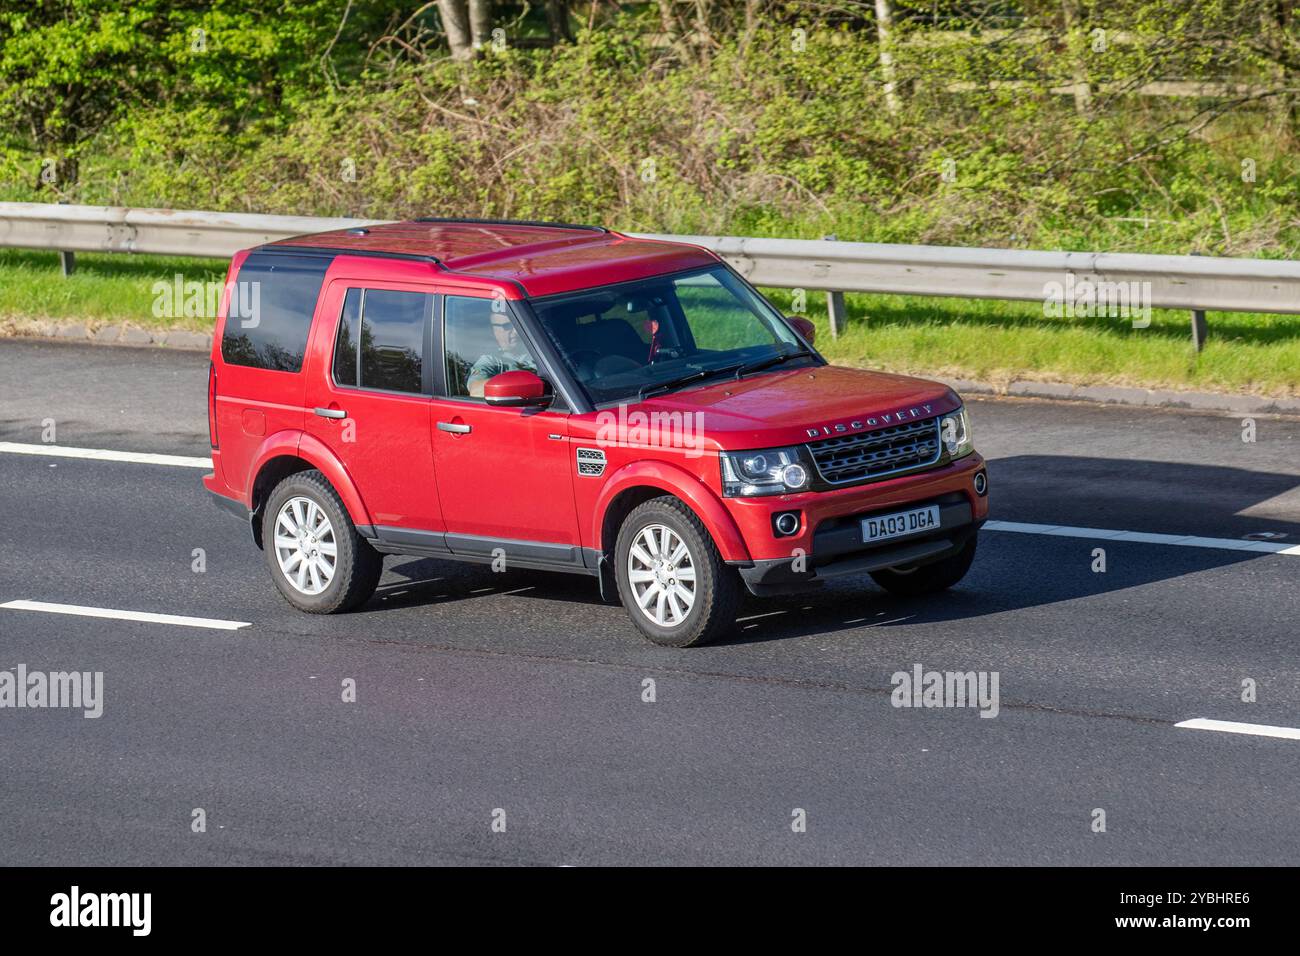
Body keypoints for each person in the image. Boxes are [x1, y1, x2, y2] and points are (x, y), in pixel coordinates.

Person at [467, 312, 537, 397]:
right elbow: (476, 390)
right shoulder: (491, 361)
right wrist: (514, 385)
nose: (516, 331)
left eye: (519, 325)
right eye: (507, 326)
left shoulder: (543, 351)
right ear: (494, 331)